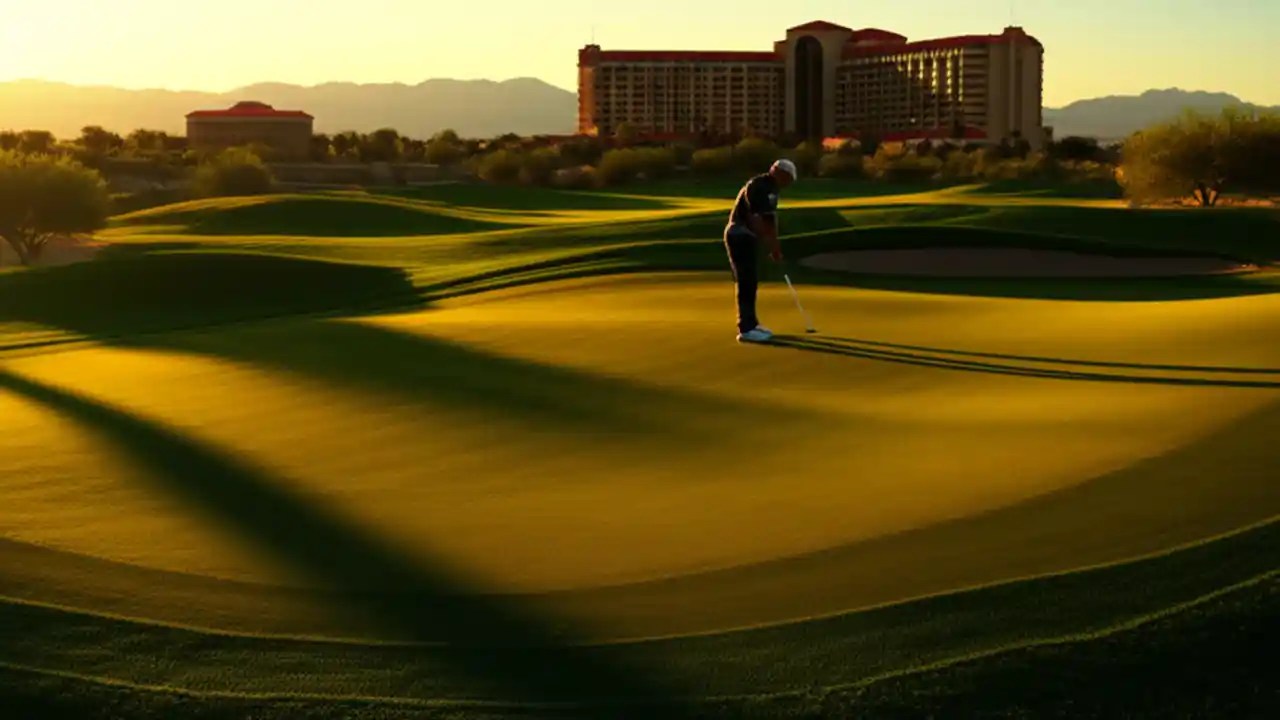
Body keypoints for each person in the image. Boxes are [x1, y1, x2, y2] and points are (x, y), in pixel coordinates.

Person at [723, 158, 796, 343]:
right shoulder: (758, 186)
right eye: (788, 179)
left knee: (751, 281)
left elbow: (770, 221)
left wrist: (775, 247)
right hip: (739, 234)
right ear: (779, 173)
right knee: (746, 281)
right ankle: (746, 328)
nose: (788, 184)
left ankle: (752, 324)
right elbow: (756, 218)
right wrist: (769, 243)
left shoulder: (772, 190)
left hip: (747, 236)